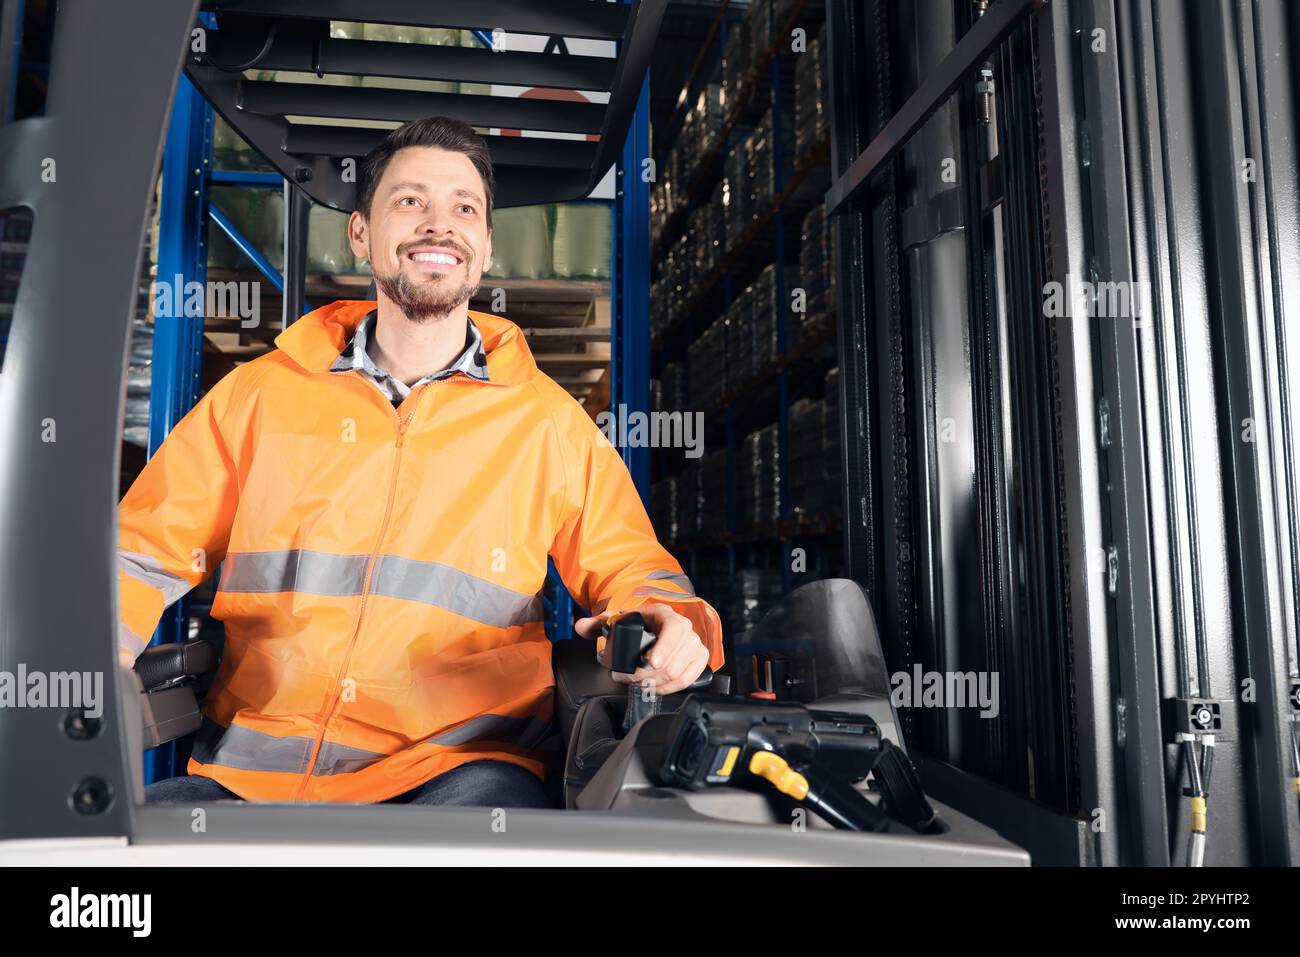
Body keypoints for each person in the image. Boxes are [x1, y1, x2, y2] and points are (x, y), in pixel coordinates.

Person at [118, 116, 723, 807]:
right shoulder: (258, 397)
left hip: (459, 770)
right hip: (256, 773)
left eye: (464, 208)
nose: (440, 225)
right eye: (410, 201)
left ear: (485, 245)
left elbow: (631, 564)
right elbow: (141, 549)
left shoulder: (548, 424)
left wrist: (677, 620)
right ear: (360, 233)